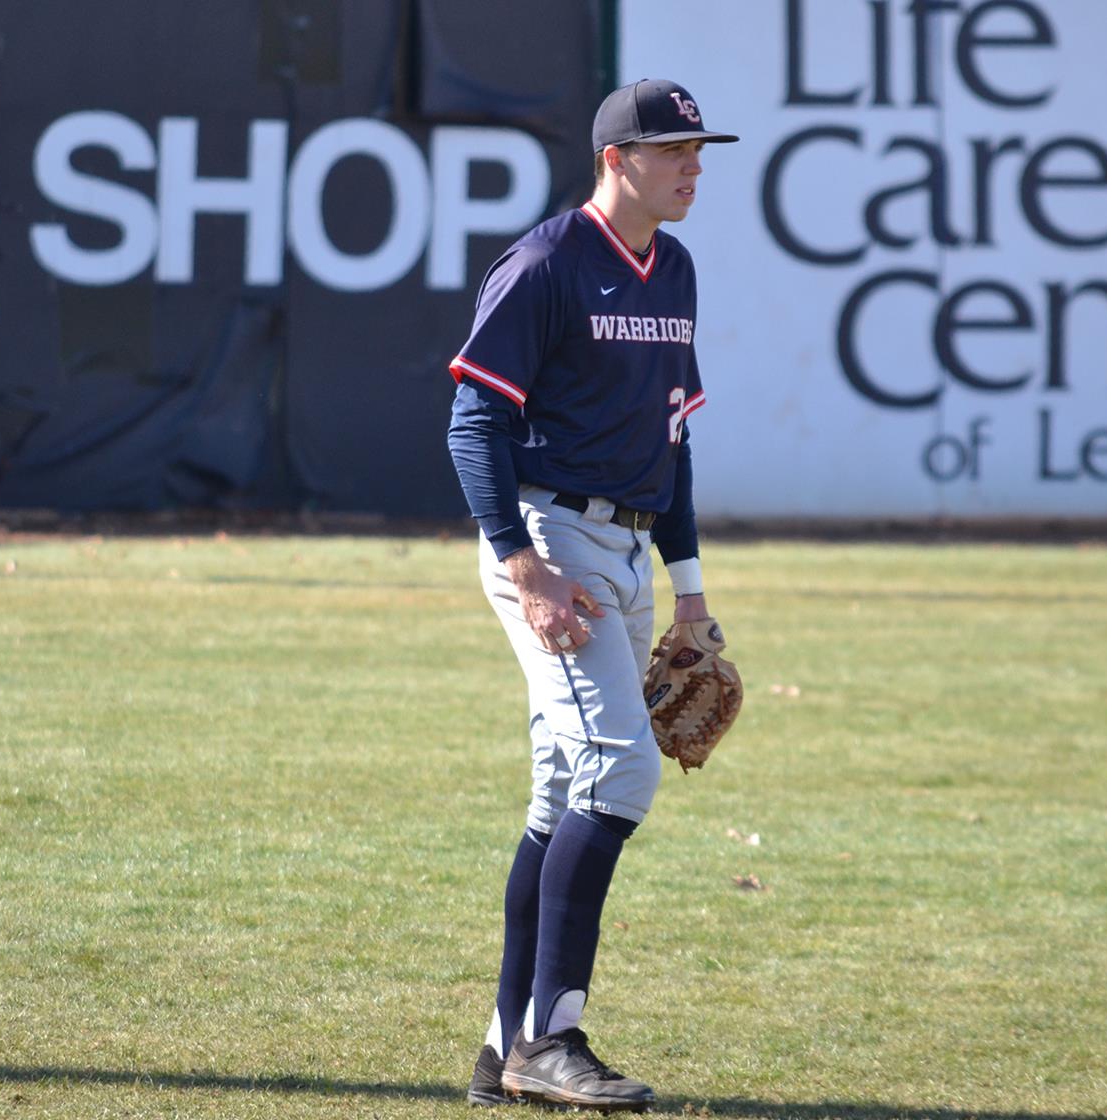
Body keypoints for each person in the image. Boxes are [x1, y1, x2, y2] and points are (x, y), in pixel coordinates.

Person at [444, 78, 737, 1112]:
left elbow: (674, 440)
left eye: (698, 148)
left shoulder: (676, 268)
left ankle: (500, 1050)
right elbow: (470, 425)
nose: (692, 165)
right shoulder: (546, 264)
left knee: (562, 795)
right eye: (672, 150)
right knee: (618, 773)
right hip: (549, 539)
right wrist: (523, 567)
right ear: (616, 160)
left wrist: (691, 596)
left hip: (629, 544)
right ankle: (550, 1036)